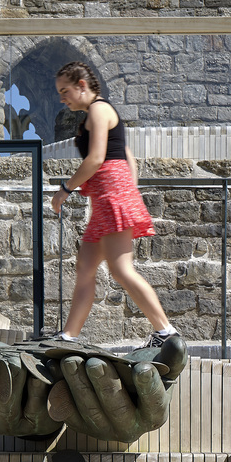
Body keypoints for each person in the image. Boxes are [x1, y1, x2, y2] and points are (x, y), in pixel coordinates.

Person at [47, 62, 180, 348]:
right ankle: (69, 336)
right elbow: (127, 155)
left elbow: (96, 158)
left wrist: (65, 190)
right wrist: (128, 190)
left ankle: (166, 332)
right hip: (107, 199)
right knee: (85, 267)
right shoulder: (97, 113)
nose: (61, 98)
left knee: (121, 269)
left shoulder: (99, 109)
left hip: (111, 197)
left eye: (65, 91)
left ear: (82, 85)